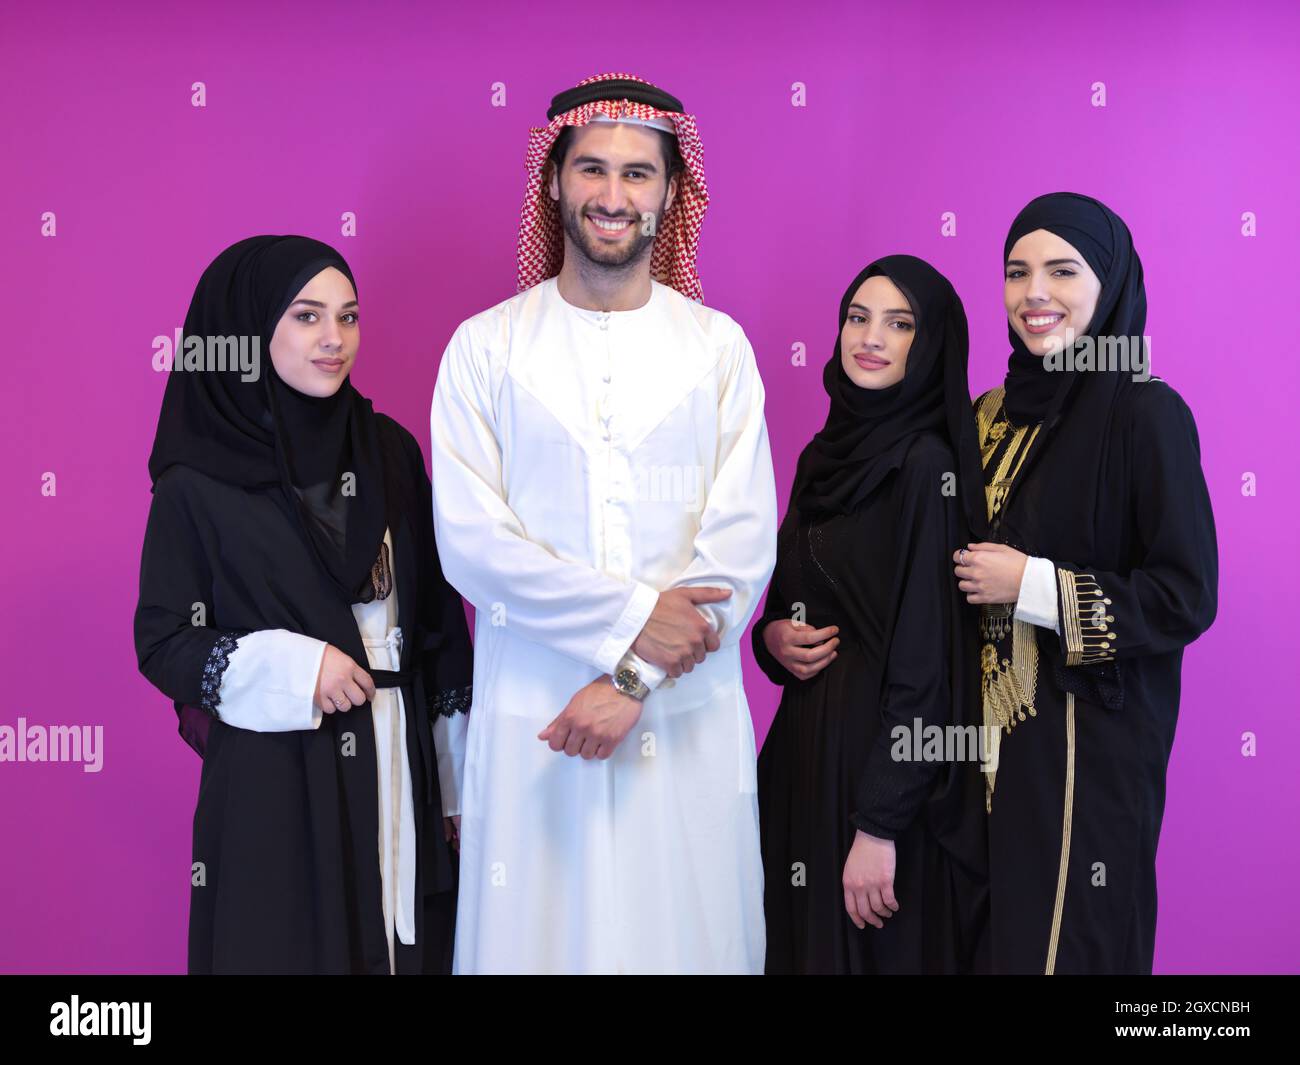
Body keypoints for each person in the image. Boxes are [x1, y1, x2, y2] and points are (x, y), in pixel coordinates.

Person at [429, 73, 777, 974]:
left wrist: (631, 675)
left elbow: (737, 552)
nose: (613, 196)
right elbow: (474, 546)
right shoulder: (485, 348)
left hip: (685, 722)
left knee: (686, 942)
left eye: (637, 173)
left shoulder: (718, 349)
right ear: (553, 182)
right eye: (591, 169)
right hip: (535, 719)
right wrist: (635, 622)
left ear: (670, 190)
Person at [135, 235, 473, 974]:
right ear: (248, 331)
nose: (334, 339)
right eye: (307, 316)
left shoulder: (390, 450)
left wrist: (456, 779)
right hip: (277, 776)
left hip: (398, 760)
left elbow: (442, 621)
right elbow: (163, 639)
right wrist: (297, 665)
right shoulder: (199, 480)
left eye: (348, 317)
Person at [953, 192, 1218, 974]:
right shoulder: (987, 416)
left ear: (1109, 283)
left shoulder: (1145, 411)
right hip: (978, 747)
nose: (1035, 293)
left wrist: (1033, 583)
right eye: (1016, 272)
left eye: (1062, 271)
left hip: (1086, 753)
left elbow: (1184, 593)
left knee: (1069, 948)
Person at [752, 255, 989, 974]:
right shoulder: (821, 456)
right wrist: (771, 639)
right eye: (858, 317)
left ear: (932, 343)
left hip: (880, 780)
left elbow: (928, 657)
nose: (871, 337)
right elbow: (788, 594)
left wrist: (881, 823)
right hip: (802, 762)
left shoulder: (926, 467)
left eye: (899, 322)